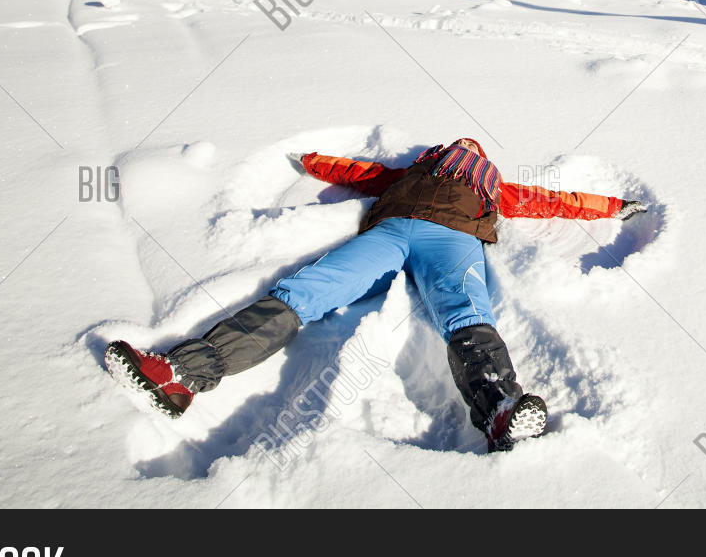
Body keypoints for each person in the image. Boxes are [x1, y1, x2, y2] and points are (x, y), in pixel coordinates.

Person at [105, 137, 647, 452]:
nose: (462, 156)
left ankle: (500, 409)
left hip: (447, 240)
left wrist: (610, 207)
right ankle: (180, 373)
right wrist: (315, 163)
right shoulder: (409, 172)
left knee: (464, 313)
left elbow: (554, 200)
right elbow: (358, 172)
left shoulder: (495, 190)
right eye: (458, 152)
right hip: (391, 233)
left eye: (468, 155)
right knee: (306, 290)